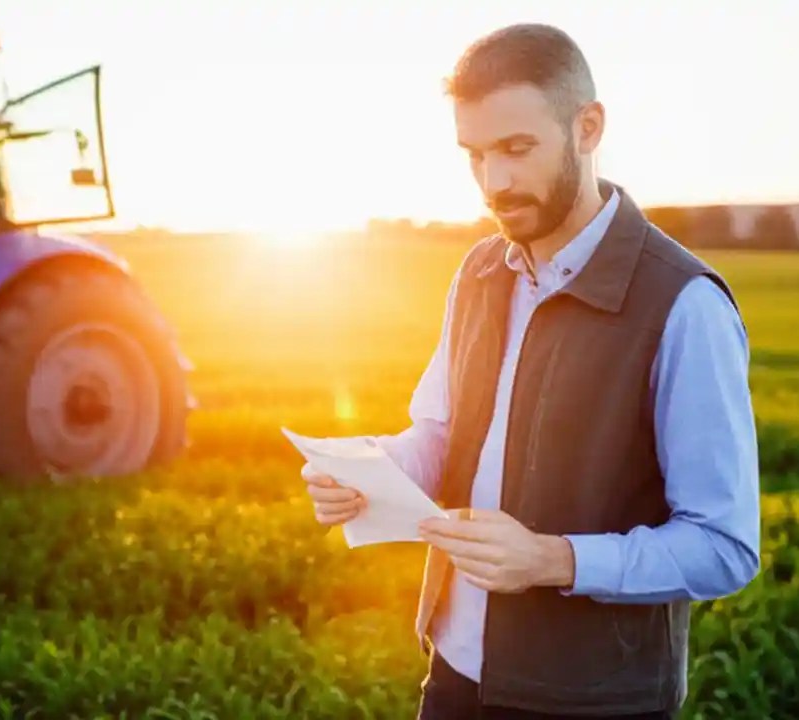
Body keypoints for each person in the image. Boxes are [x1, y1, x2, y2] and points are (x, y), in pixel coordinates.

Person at [303, 22, 761, 720]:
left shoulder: (685, 305)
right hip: (454, 675)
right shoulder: (481, 271)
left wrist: (552, 560)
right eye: (475, 155)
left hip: (596, 701)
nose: (494, 182)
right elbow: (442, 435)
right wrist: (367, 473)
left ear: (588, 127)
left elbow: (724, 546)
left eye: (517, 149)